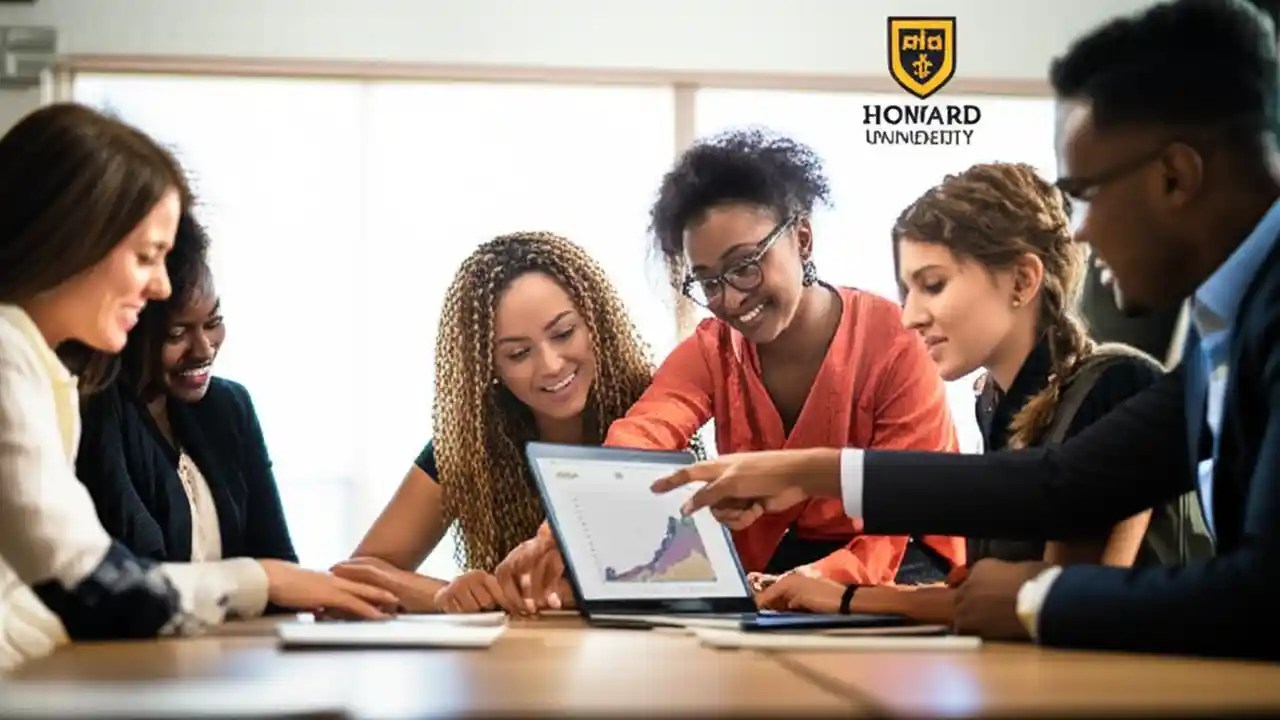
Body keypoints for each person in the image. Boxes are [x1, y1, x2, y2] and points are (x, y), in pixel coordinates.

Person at [650, 0, 1280, 660]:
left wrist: (1036, 601)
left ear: (1176, 176)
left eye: (1087, 192)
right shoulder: (1224, 334)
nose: (1083, 229)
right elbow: (1056, 485)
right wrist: (810, 472)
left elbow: (1264, 596)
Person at [493, 128, 967, 608]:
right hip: (775, 564)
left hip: (903, 557)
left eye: (745, 265)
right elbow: (640, 436)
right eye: (708, 281)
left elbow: (902, 504)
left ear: (802, 239)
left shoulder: (897, 342)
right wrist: (556, 534)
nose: (732, 299)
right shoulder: (712, 350)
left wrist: (816, 578)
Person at [0, 103, 394, 671]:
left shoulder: (37, 366)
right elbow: (96, 590)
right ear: (74, 239)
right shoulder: (10, 358)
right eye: (145, 257)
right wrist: (261, 578)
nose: (159, 285)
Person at [754, 162, 1211, 621]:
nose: (910, 316)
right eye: (905, 291)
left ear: (1022, 280)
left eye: (932, 285)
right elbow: (987, 589)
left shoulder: (1113, 384)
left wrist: (847, 598)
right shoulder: (992, 401)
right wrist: (818, 586)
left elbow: (1047, 602)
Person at [330, 232, 676, 614]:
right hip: (517, 667)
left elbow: (676, 582)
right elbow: (351, 578)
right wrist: (450, 596)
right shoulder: (475, 440)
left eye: (563, 334)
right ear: (490, 367)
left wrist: (521, 597)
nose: (551, 365)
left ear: (597, 323)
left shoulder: (657, 408)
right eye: (518, 353)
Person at [75, 212, 298, 568]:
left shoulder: (230, 406)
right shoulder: (98, 409)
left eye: (213, 322)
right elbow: (141, 563)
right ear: (131, 326)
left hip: (238, 625)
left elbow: (278, 561)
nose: (204, 349)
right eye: (177, 334)